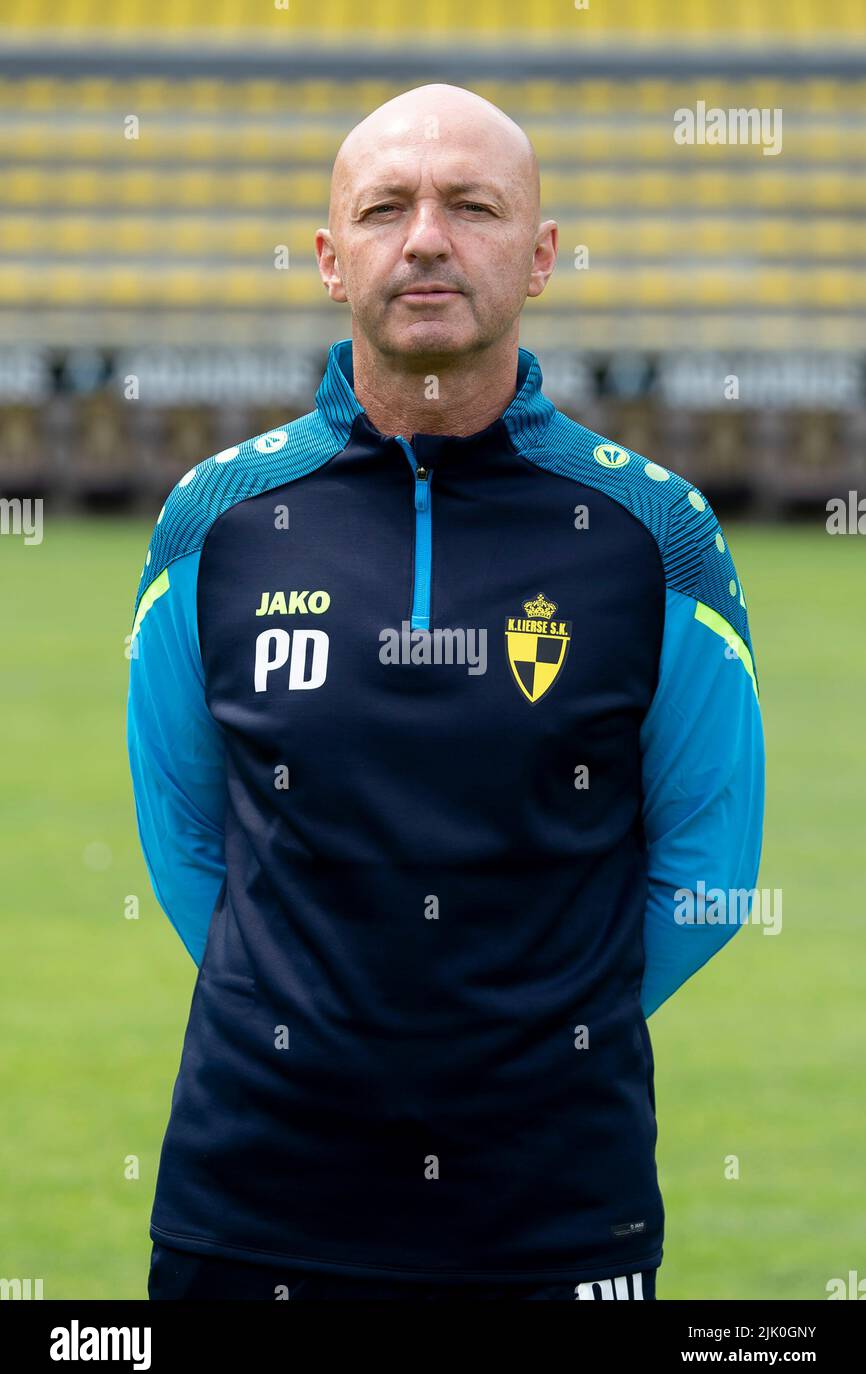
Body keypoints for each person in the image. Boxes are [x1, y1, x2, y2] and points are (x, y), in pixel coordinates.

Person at [127, 83, 765, 1301]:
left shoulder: (655, 533)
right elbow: (189, 844)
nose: (425, 236)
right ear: (329, 257)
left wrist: (529, 1032)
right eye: (386, 208)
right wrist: (312, 1022)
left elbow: (711, 870)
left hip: (551, 1211)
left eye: (470, 206)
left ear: (537, 258)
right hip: (252, 1203)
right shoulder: (215, 522)